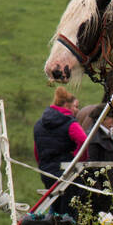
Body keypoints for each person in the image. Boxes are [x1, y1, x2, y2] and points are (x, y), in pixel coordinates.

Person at [32, 87, 86, 217]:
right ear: (67, 105)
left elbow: (36, 150)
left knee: (55, 203)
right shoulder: (70, 123)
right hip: (67, 171)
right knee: (69, 208)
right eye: (76, 106)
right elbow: (84, 141)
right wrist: (79, 161)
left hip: (46, 171)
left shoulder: (39, 124)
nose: (77, 110)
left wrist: (43, 166)